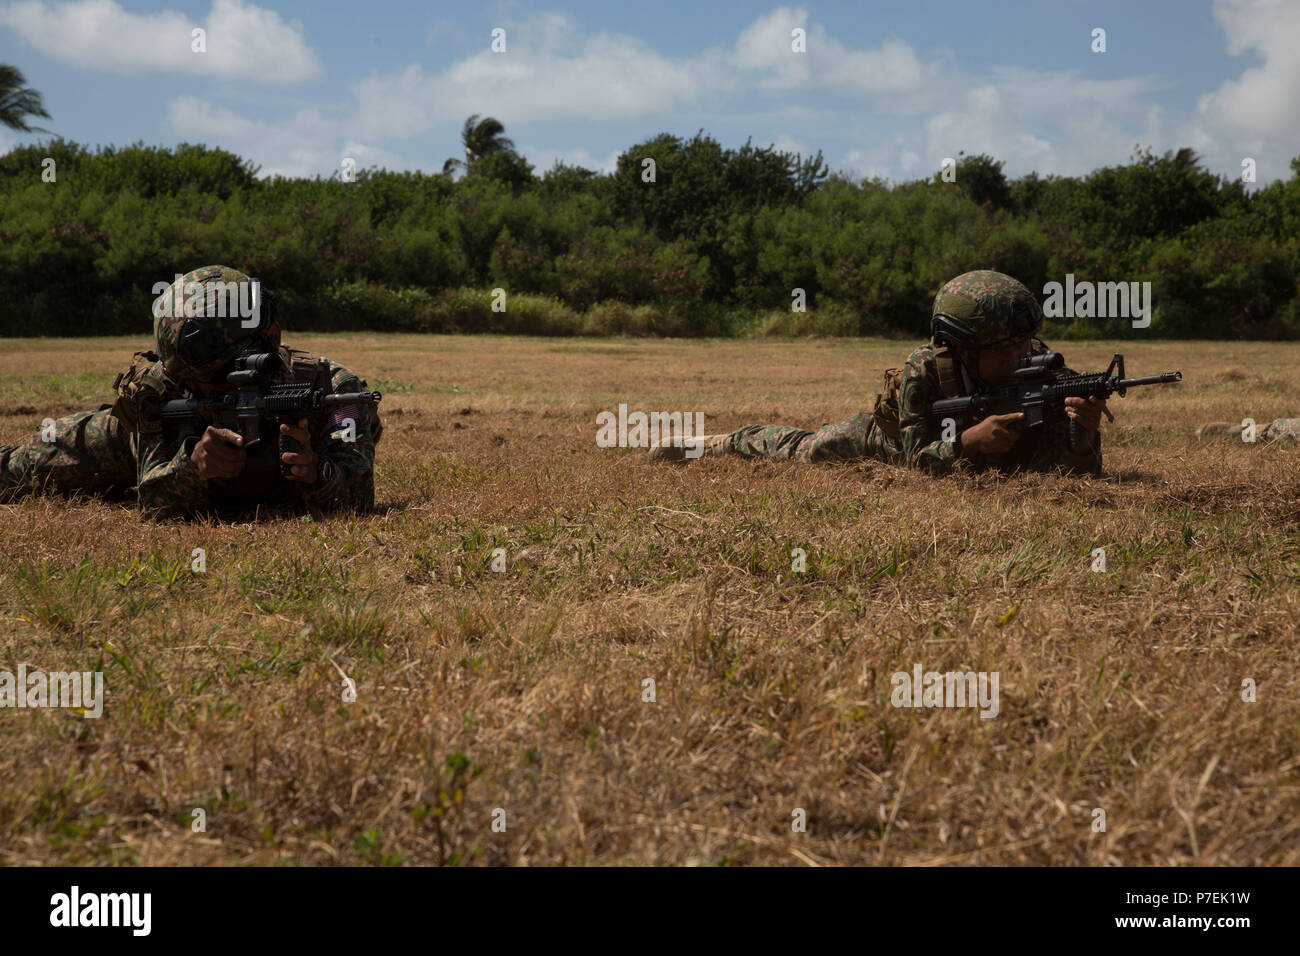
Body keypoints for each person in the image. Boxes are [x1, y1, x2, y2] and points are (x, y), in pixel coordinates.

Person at [0, 265, 382, 519]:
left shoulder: (331, 391)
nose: (200, 391)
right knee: (22, 470)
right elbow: (153, 505)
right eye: (191, 383)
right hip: (123, 443)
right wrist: (192, 468)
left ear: (271, 339)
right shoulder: (162, 390)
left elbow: (359, 499)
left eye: (218, 380)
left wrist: (317, 474)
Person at [650, 270, 1108, 475]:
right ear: (963, 350)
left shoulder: (1045, 373)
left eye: (1022, 344)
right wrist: (968, 443)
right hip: (888, 439)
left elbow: (1073, 474)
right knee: (804, 451)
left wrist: (1083, 437)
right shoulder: (924, 371)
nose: (1019, 356)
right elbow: (916, 460)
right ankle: (722, 443)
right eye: (1002, 349)